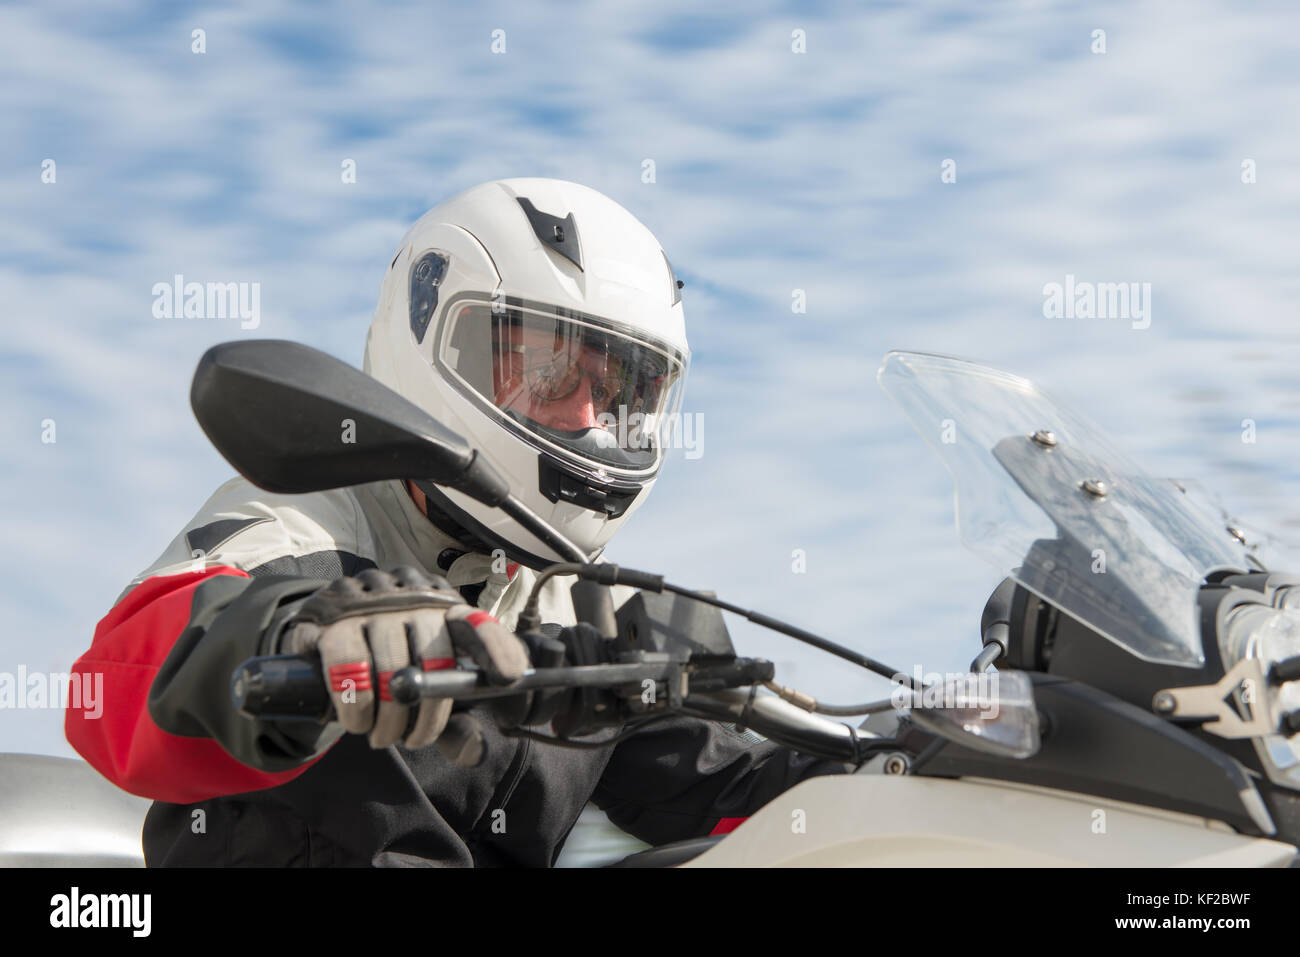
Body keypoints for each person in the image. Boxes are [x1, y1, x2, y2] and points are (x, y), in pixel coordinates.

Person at [65, 177, 848, 866]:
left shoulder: (588, 617)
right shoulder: (309, 526)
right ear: (433, 340)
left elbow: (736, 800)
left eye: (620, 391)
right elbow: (115, 691)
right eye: (547, 371)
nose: (589, 418)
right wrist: (302, 637)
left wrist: (909, 755)